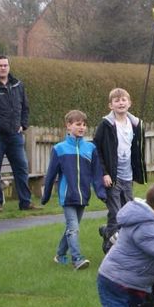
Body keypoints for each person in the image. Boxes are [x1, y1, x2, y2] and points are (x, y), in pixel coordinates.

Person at [42, 110, 106, 271]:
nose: (82, 127)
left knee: (72, 227)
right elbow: (51, 175)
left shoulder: (90, 148)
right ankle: (77, 259)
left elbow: (97, 174)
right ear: (68, 126)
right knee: (73, 227)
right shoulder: (59, 149)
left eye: (84, 124)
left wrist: (101, 192)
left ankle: (60, 255)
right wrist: (46, 195)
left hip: (83, 196)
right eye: (78, 124)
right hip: (67, 196)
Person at [93, 88, 146, 236]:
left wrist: (138, 172)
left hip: (127, 175)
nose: (120, 103)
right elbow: (97, 148)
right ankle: (111, 247)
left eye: (123, 100)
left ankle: (107, 233)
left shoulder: (135, 124)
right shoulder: (106, 125)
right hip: (113, 177)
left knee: (128, 211)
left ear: (130, 103)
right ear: (111, 105)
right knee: (116, 213)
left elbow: (137, 150)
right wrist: (104, 173)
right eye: (116, 101)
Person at [0, 54, 35, 211]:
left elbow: (25, 107)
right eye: (0, 65)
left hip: (15, 134)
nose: (3, 68)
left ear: (9, 67)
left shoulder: (17, 85)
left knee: (21, 168)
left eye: (5, 65)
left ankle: (25, 202)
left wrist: (23, 125)